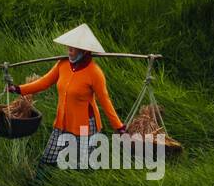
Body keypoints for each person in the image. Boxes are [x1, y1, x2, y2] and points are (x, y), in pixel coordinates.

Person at [8, 24, 127, 170]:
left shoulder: (95, 73)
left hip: (85, 125)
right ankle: (39, 184)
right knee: (48, 157)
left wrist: (119, 126)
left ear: (83, 51)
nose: (68, 51)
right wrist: (19, 89)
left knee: (83, 164)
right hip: (63, 121)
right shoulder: (62, 64)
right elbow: (44, 82)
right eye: (68, 47)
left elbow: (105, 101)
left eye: (73, 48)